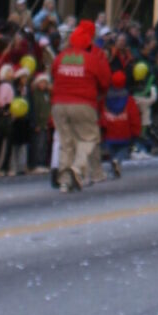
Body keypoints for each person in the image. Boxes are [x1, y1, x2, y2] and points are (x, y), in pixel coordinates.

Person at [50, 20, 109, 193]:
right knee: (89, 137)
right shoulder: (91, 59)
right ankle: (78, 167)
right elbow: (104, 81)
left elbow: (53, 74)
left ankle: (64, 180)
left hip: (59, 104)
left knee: (66, 142)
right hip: (83, 102)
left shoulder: (61, 57)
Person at [100, 70, 141, 176]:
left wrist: (102, 130)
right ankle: (117, 161)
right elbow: (134, 117)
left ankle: (114, 164)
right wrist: (136, 132)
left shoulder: (105, 99)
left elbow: (101, 115)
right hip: (124, 131)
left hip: (110, 132)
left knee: (112, 150)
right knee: (123, 149)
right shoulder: (129, 99)